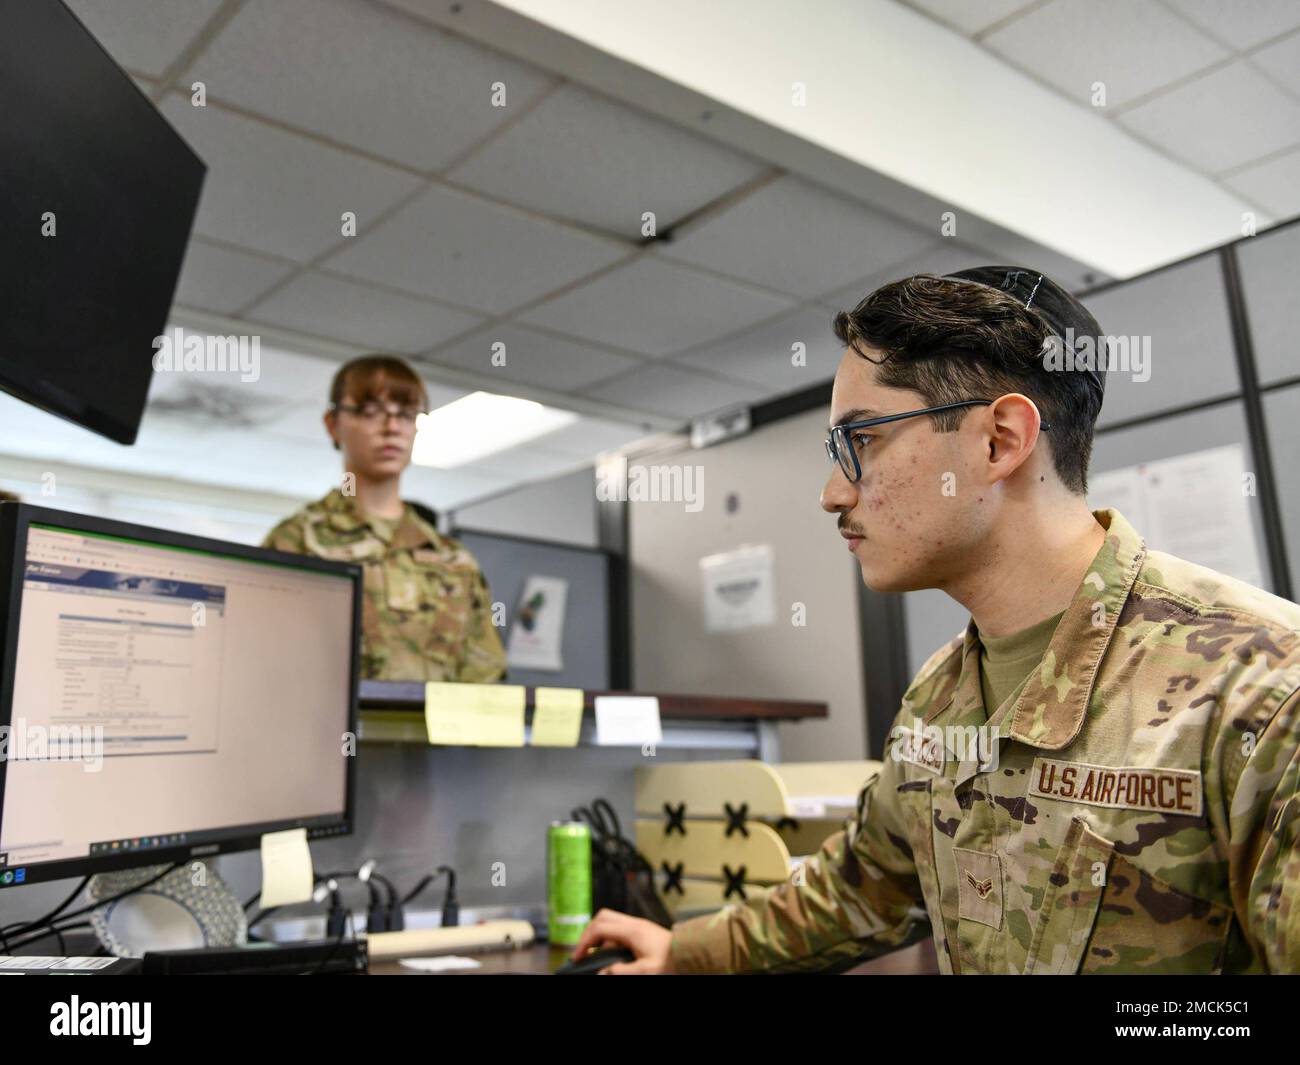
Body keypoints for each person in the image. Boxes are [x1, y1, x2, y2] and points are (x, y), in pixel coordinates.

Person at [573, 266, 1300, 974]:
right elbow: (863, 886)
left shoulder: (1262, 691)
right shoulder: (942, 694)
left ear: (999, 441)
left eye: (863, 440)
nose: (833, 493)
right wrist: (686, 953)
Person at [263, 355, 506, 683]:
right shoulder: (297, 542)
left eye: (406, 413)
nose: (392, 427)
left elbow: (484, 677)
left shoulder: (454, 560)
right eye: (370, 411)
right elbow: (265, 662)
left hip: (434, 736)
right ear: (333, 424)